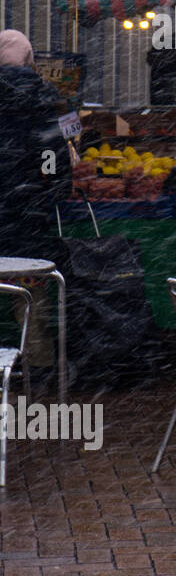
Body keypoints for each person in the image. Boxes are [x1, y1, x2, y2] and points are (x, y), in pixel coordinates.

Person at [0, 29, 70, 372]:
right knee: (30, 287)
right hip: (29, 206)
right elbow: (51, 155)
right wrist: (52, 188)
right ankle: (38, 364)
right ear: (28, 58)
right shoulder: (42, 98)